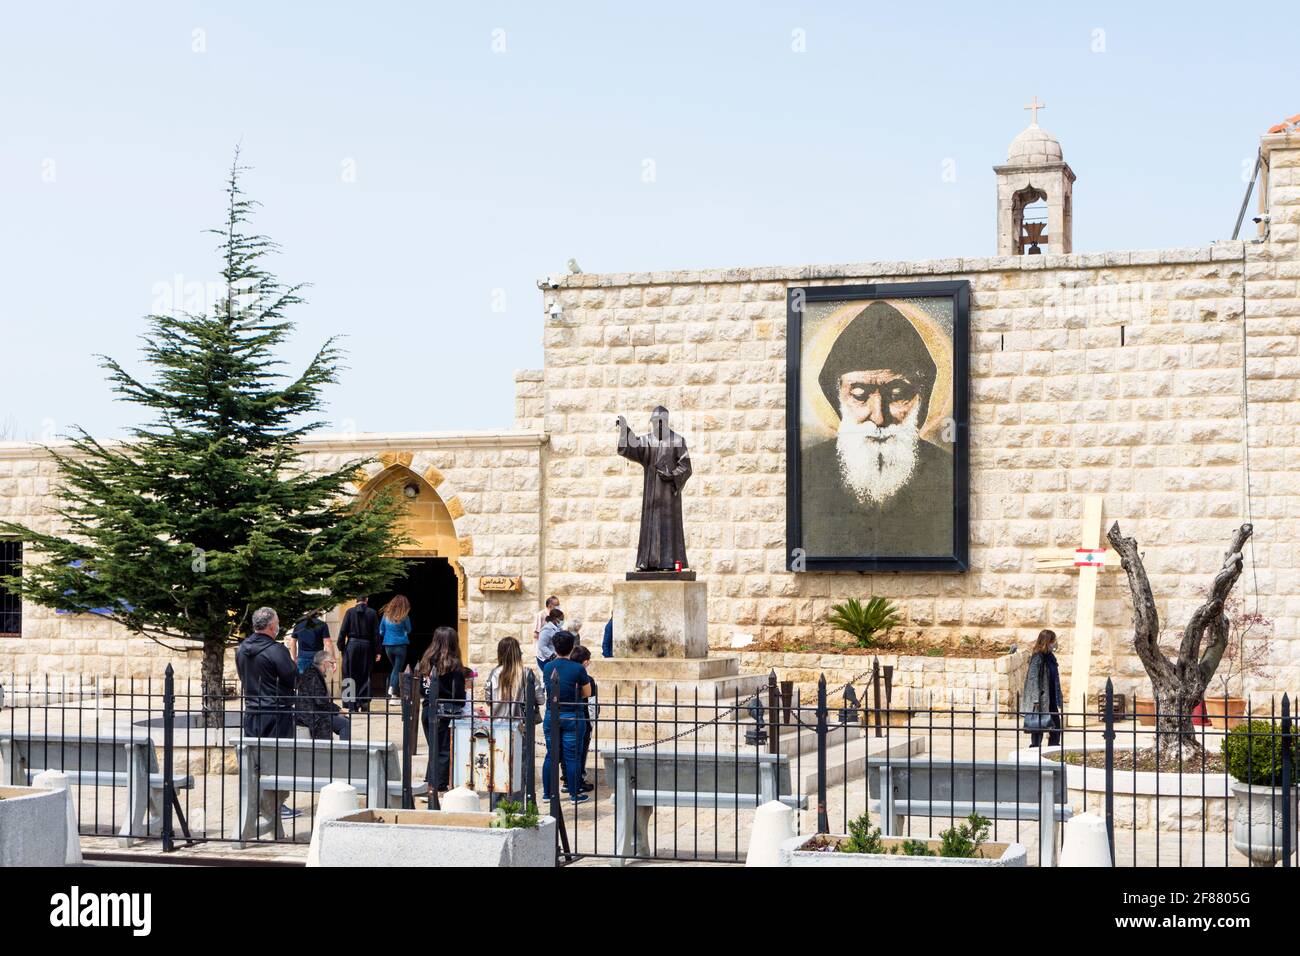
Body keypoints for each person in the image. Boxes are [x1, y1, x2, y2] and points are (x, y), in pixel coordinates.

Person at [801, 301, 954, 557]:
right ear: (837, 397)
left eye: (898, 394)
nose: (879, 417)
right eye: (860, 394)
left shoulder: (948, 473)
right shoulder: (807, 469)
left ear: (921, 398)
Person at [234, 606, 300, 820]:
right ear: (272, 626)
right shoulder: (276, 650)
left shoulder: (242, 648)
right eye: (278, 622)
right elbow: (293, 677)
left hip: (253, 711)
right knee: (277, 761)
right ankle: (275, 805)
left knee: (255, 762)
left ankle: (257, 803)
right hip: (276, 712)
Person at [615, 406, 692, 570]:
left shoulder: (677, 441)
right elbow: (632, 448)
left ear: (666, 422)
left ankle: (669, 563)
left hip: (669, 498)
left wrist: (672, 475)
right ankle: (647, 562)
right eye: (655, 422)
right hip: (651, 497)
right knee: (650, 526)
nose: (657, 425)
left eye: (660, 422)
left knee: (669, 527)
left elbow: (686, 466)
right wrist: (624, 429)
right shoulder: (647, 441)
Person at [484, 636, 544, 808]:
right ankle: (517, 808)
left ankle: (497, 808)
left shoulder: (494, 673)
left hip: (498, 728)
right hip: (520, 728)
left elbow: (488, 699)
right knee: (519, 770)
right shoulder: (526, 673)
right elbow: (540, 699)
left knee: (498, 769)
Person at [541, 631, 591, 803]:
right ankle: (574, 793)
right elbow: (587, 692)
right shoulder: (577, 668)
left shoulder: (548, 667)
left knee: (551, 755)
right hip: (572, 715)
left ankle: (547, 793)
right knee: (572, 756)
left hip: (552, 714)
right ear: (571, 647)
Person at [417, 626, 468, 799]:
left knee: (434, 748)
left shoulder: (426, 661)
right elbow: (458, 695)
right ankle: (437, 787)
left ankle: (430, 782)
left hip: (427, 710)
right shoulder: (453, 664)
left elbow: (422, 689)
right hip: (445, 711)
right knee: (444, 749)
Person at [1022, 629, 1064, 748]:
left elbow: (1055, 677)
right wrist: (1035, 699)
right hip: (1041, 698)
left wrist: (1059, 695)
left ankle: (1054, 748)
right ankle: (1035, 748)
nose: (1054, 643)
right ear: (1047, 641)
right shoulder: (1038, 657)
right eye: (1053, 641)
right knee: (1038, 725)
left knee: (1056, 725)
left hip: (1052, 697)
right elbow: (1032, 678)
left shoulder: (1051, 657)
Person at [295, 650, 351, 741]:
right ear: (325, 663)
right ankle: (345, 753)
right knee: (345, 723)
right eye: (332, 663)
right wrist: (337, 710)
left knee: (345, 719)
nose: (332, 667)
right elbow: (321, 702)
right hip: (311, 715)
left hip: (313, 711)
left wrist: (337, 710)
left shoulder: (312, 672)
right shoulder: (313, 676)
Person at [338, 595, 380, 712]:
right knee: (366, 674)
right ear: (367, 600)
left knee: (349, 674)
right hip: (367, 647)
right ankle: (364, 701)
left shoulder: (349, 612)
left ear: (356, 600)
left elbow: (343, 631)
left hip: (352, 646)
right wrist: (378, 651)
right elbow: (376, 634)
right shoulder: (372, 613)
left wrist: (341, 647)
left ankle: (351, 705)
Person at [570, 645, 598, 789]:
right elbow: (592, 704)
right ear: (585, 662)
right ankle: (578, 780)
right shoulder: (588, 679)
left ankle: (567, 780)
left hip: (566, 716)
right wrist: (591, 722)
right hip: (583, 718)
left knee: (567, 752)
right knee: (580, 751)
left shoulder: (565, 674)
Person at [379, 594, 412, 699]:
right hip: (400, 645)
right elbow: (409, 629)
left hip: (388, 645)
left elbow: (381, 631)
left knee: (395, 668)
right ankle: (393, 691)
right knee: (397, 669)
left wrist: (389, 635)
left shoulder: (385, 616)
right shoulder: (405, 616)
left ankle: (395, 692)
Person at [289, 611, 333, 675]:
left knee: (302, 681)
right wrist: (331, 660)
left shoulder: (298, 625)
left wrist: (294, 658)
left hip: (302, 657)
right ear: (316, 613)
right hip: (318, 658)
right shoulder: (322, 624)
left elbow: (292, 642)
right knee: (318, 681)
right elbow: (328, 643)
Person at [536, 606, 565, 671]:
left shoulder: (559, 628)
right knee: (549, 679)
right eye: (561, 619)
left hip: (554, 659)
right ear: (555, 619)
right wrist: (553, 656)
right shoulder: (546, 629)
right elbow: (542, 646)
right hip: (545, 660)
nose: (562, 621)